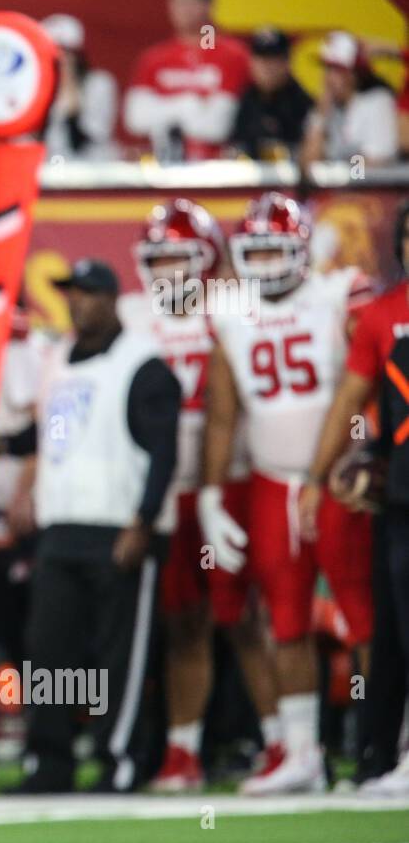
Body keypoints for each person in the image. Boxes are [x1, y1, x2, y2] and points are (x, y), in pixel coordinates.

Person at [200, 192, 370, 794]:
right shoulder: (230, 314)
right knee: (284, 616)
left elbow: (368, 378)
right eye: (257, 250)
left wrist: (358, 460)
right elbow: (222, 416)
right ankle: (301, 752)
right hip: (273, 480)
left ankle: (383, 744)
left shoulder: (337, 294)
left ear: (302, 251)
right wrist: (212, 494)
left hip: (340, 476)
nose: (268, 262)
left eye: (277, 248)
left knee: (363, 614)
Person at [119, 200, 279, 792]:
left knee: (242, 618)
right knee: (182, 623)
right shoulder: (134, 316)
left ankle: (283, 738)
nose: (166, 275)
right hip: (166, 493)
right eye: (157, 261)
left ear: (207, 262)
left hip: (227, 483)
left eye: (178, 260)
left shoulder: (232, 308)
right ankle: (183, 753)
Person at [18, 258, 181, 793]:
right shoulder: (58, 359)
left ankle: (120, 760)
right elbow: (54, 439)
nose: (77, 302)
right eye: (71, 293)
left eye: (88, 293)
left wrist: (144, 522)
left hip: (118, 530)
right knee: (49, 655)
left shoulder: (145, 364)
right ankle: (51, 762)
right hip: (61, 527)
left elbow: (164, 453)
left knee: (119, 659)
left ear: (113, 299)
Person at [301, 201, 409, 795]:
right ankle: (381, 752)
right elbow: (353, 402)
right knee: (388, 626)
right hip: (399, 490)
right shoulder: (380, 315)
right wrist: (329, 472)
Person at [123, 0, 250, 161]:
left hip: (218, 166)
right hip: (163, 165)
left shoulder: (232, 55)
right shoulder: (154, 58)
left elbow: (217, 126)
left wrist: (162, 111)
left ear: (208, 6)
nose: (184, 10)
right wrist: (188, 105)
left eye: (191, 2)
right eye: (178, 3)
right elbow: (136, 120)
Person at [300, 31, 399, 170]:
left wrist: (333, 170)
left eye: (337, 70)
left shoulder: (377, 101)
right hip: (335, 189)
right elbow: (307, 165)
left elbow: (376, 164)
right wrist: (320, 117)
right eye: (327, 69)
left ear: (354, 74)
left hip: (374, 189)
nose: (328, 78)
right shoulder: (325, 107)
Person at [40, 14, 118, 162]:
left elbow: (95, 136)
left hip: (91, 167)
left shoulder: (98, 84)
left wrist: (73, 103)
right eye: (56, 57)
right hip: (48, 167)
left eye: (68, 55)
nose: (63, 62)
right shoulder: (36, 91)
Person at [229, 29, 313, 161]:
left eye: (274, 60)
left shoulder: (302, 104)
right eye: (261, 59)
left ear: (287, 63)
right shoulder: (246, 98)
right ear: (252, 62)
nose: (267, 68)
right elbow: (236, 146)